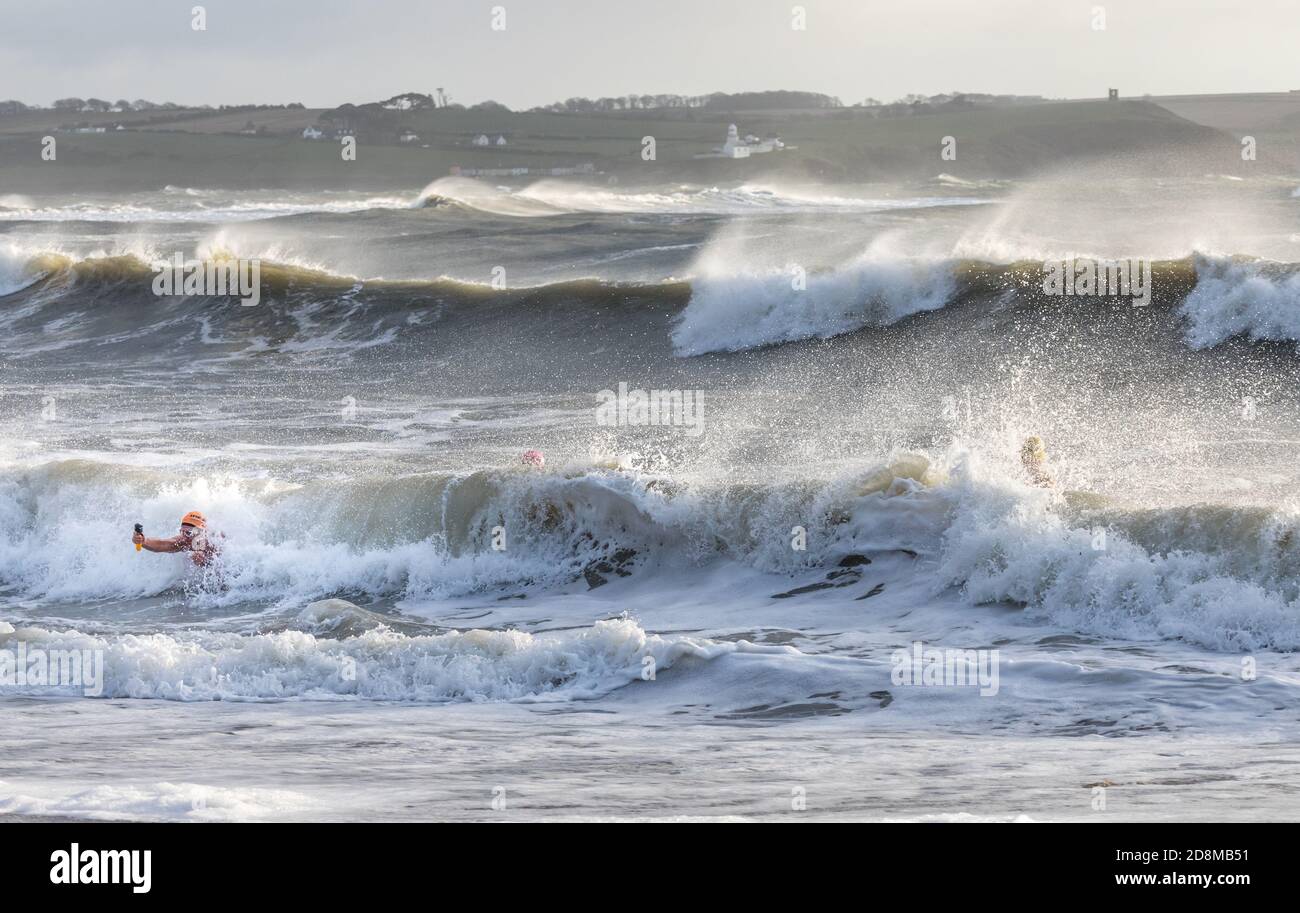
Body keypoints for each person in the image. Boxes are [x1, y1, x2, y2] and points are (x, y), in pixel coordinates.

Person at [132, 511, 222, 567]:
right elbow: (162, 544)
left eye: (189, 533)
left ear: (202, 531)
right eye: (183, 532)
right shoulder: (184, 540)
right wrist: (143, 541)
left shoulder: (215, 539)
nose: (186, 537)